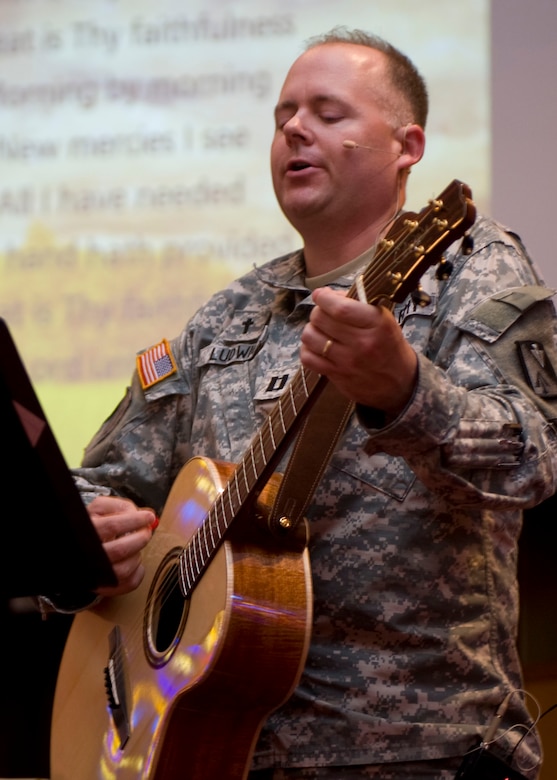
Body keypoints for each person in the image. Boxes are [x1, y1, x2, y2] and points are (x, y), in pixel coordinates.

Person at [46, 27, 557, 780]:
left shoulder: (469, 269)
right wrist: (83, 540)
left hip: (419, 748)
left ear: (405, 145)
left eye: (328, 111)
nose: (293, 128)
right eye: (284, 113)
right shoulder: (230, 316)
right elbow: (101, 481)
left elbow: (532, 461)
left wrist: (407, 394)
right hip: (218, 751)